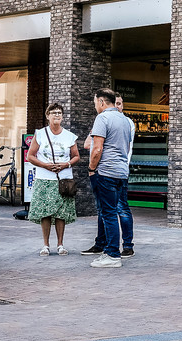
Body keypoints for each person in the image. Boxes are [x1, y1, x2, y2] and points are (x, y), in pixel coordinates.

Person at [82, 95, 135, 257]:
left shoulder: (104, 118)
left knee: (114, 211)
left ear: (102, 102)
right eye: (116, 103)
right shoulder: (124, 121)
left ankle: (115, 251)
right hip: (120, 171)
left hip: (107, 172)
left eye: (120, 103)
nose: (118, 107)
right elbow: (88, 144)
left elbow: (96, 148)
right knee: (106, 211)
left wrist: (91, 168)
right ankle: (104, 245)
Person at [28, 102, 80, 256]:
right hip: (44, 178)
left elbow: (76, 156)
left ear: (62, 117)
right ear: (48, 116)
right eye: (53, 112)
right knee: (45, 212)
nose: (57, 115)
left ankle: (60, 244)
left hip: (63, 180)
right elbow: (30, 155)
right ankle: (45, 245)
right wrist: (45, 165)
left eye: (59, 113)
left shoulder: (69, 136)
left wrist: (66, 164)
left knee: (61, 213)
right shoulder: (40, 134)